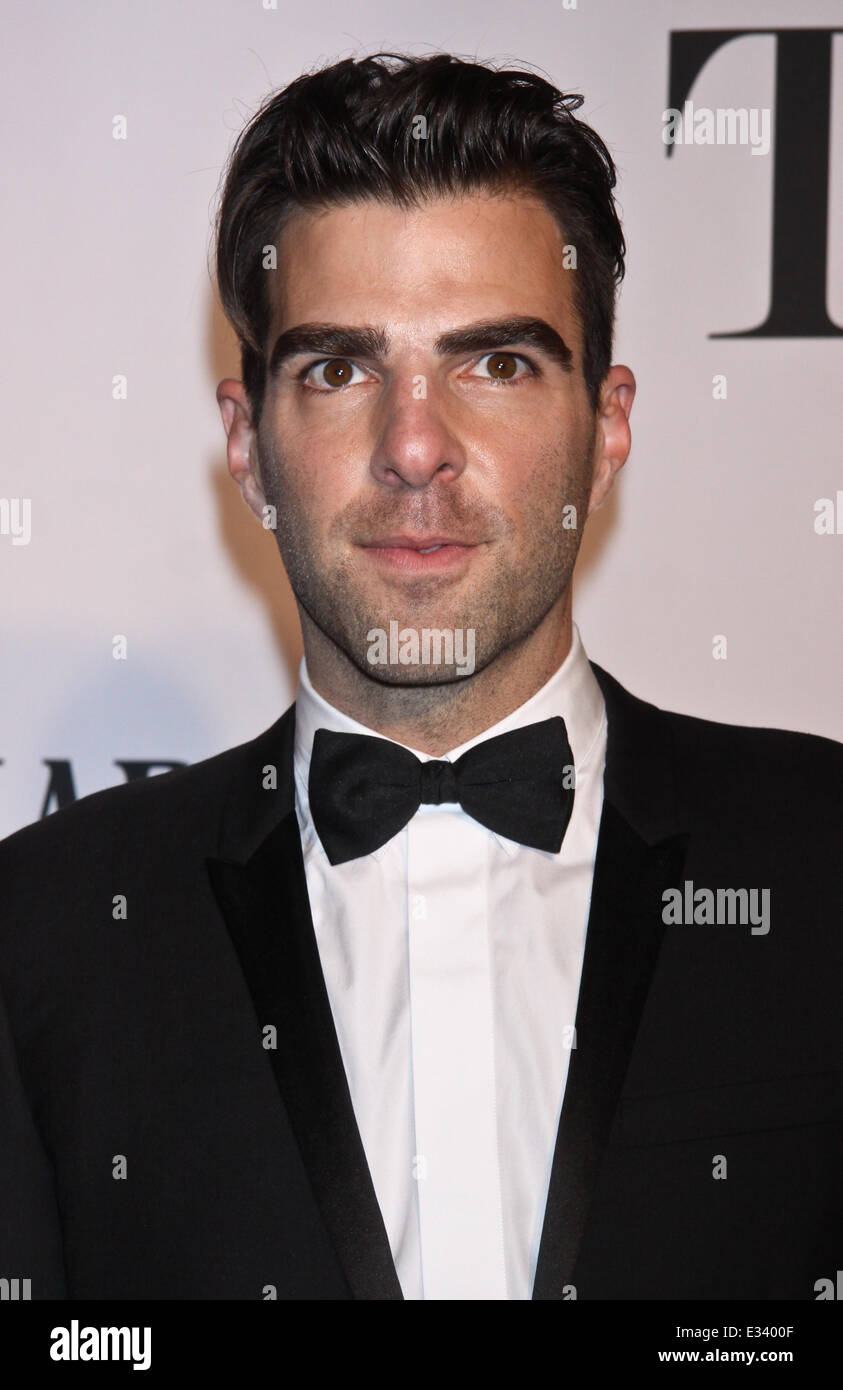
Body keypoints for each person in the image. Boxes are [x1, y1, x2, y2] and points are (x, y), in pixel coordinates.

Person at [1, 52, 840, 1302]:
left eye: (494, 364)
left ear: (606, 426)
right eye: (338, 369)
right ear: (246, 442)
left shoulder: (822, 857)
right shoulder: (46, 938)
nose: (413, 448)